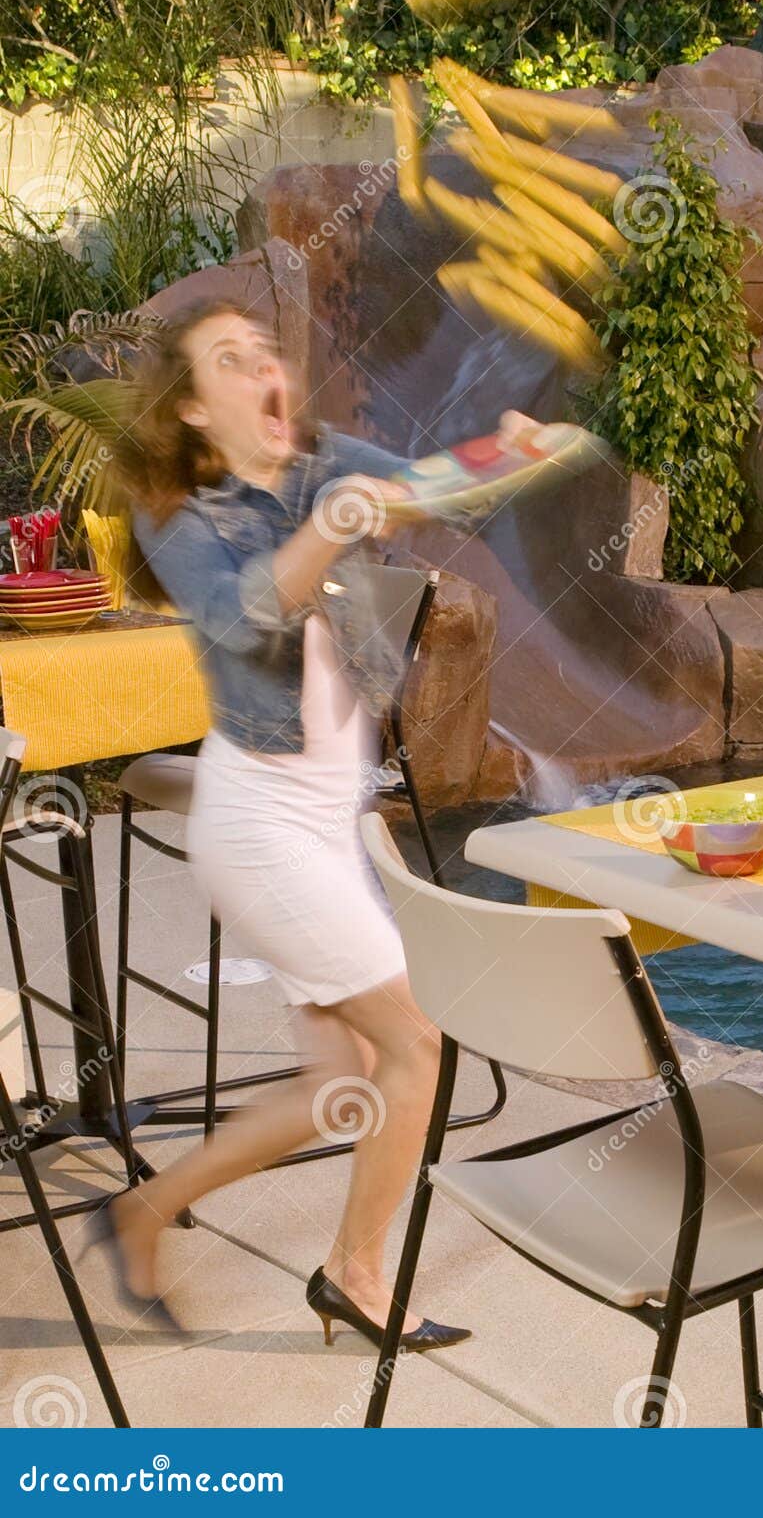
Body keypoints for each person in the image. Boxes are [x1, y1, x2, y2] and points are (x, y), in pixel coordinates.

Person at [93, 298, 530, 1353]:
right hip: (261, 830)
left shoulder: (319, 456)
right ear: (196, 407)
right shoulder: (177, 513)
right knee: (417, 1045)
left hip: (324, 824)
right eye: (230, 362)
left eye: (265, 352)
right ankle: (357, 1276)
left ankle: (145, 1210)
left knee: (338, 1088)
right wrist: (332, 526)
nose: (263, 371)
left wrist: (500, 452)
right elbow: (249, 612)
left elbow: (429, 488)